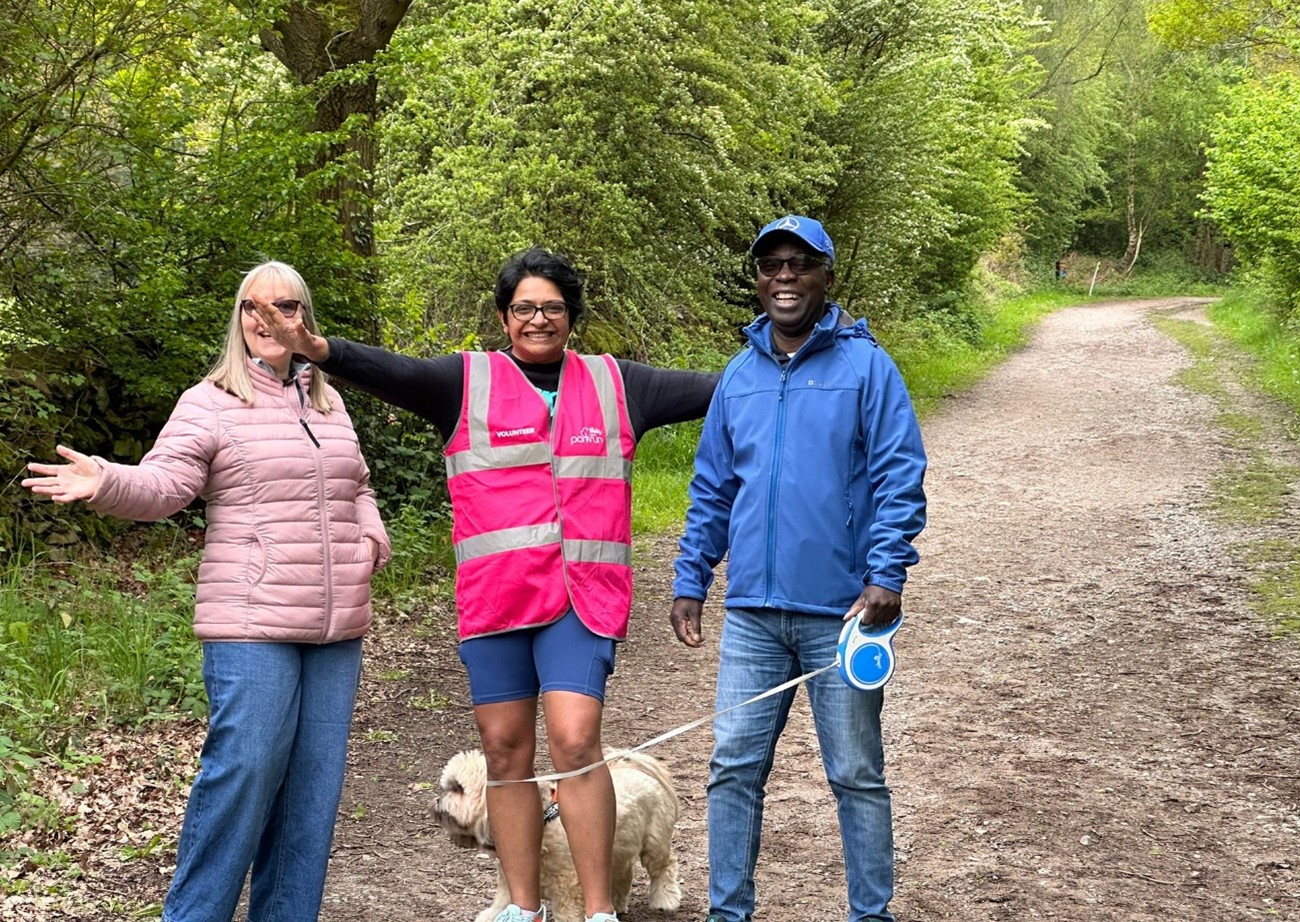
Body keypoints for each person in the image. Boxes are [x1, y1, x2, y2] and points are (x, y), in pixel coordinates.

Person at [253, 246, 718, 922]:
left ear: (570, 317)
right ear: (504, 316)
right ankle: (521, 907)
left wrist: (790, 345)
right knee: (505, 750)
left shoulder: (621, 385)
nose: (538, 319)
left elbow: (727, 387)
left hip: (581, 597)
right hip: (497, 600)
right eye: (524, 307)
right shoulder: (461, 382)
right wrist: (320, 348)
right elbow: (394, 372)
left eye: (552, 308)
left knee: (576, 739)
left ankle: (596, 912)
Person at [23, 261, 391, 922]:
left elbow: (356, 485)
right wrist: (105, 480)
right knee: (244, 778)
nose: (266, 320)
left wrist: (369, 540)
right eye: (252, 309)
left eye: (282, 307)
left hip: (337, 631)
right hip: (251, 625)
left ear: (304, 317)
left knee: (311, 797)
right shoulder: (210, 402)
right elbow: (164, 485)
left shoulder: (328, 403)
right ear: (239, 320)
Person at [670, 215, 928, 922]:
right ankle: (729, 914)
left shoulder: (865, 367)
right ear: (756, 280)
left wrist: (886, 575)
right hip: (752, 615)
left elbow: (898, 476)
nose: (783, 276)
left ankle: (869, 915)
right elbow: (713, 485)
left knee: (854, 774)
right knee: (731, 770)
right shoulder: (738, 375)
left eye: (799, 263)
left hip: (842, 614)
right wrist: (692, 576)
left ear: (826, 277)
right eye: (769, 264)